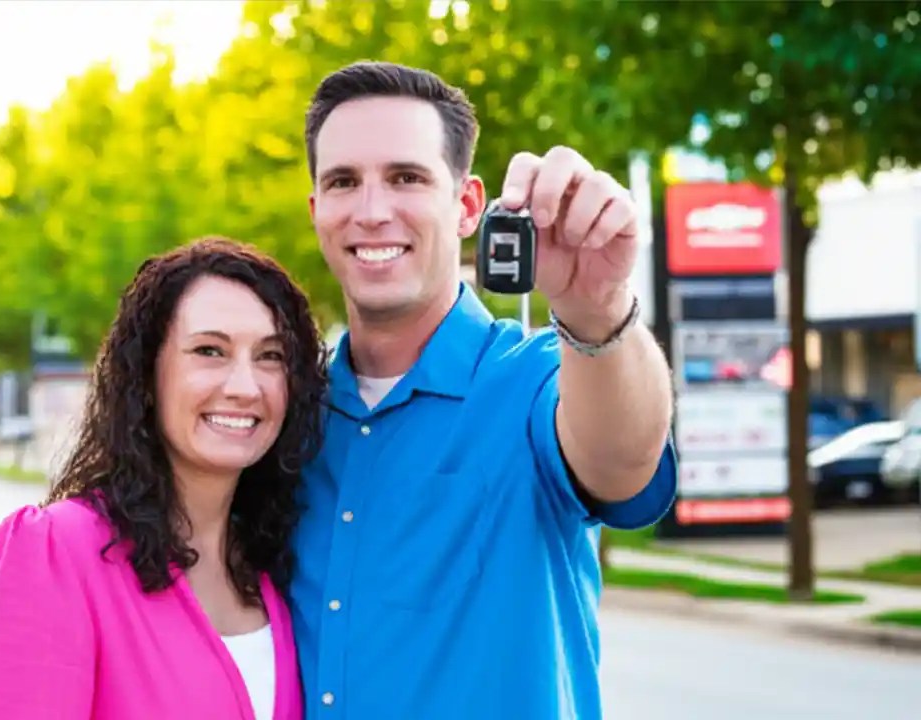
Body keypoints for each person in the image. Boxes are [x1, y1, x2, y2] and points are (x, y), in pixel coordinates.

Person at [289, 61, 679, 719]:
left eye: (406, 177)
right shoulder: (286, 419)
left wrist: (598, 306)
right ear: (317, 210)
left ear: (468, 205)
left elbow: (622, 461)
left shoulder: (537, 379)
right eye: (343, 182)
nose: (372, 210)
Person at [0, 238, 328, 720]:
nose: (246, 387)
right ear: (147, 374)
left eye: (271, 356)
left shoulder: (274, 564)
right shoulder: (59, 550)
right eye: (209, 351)